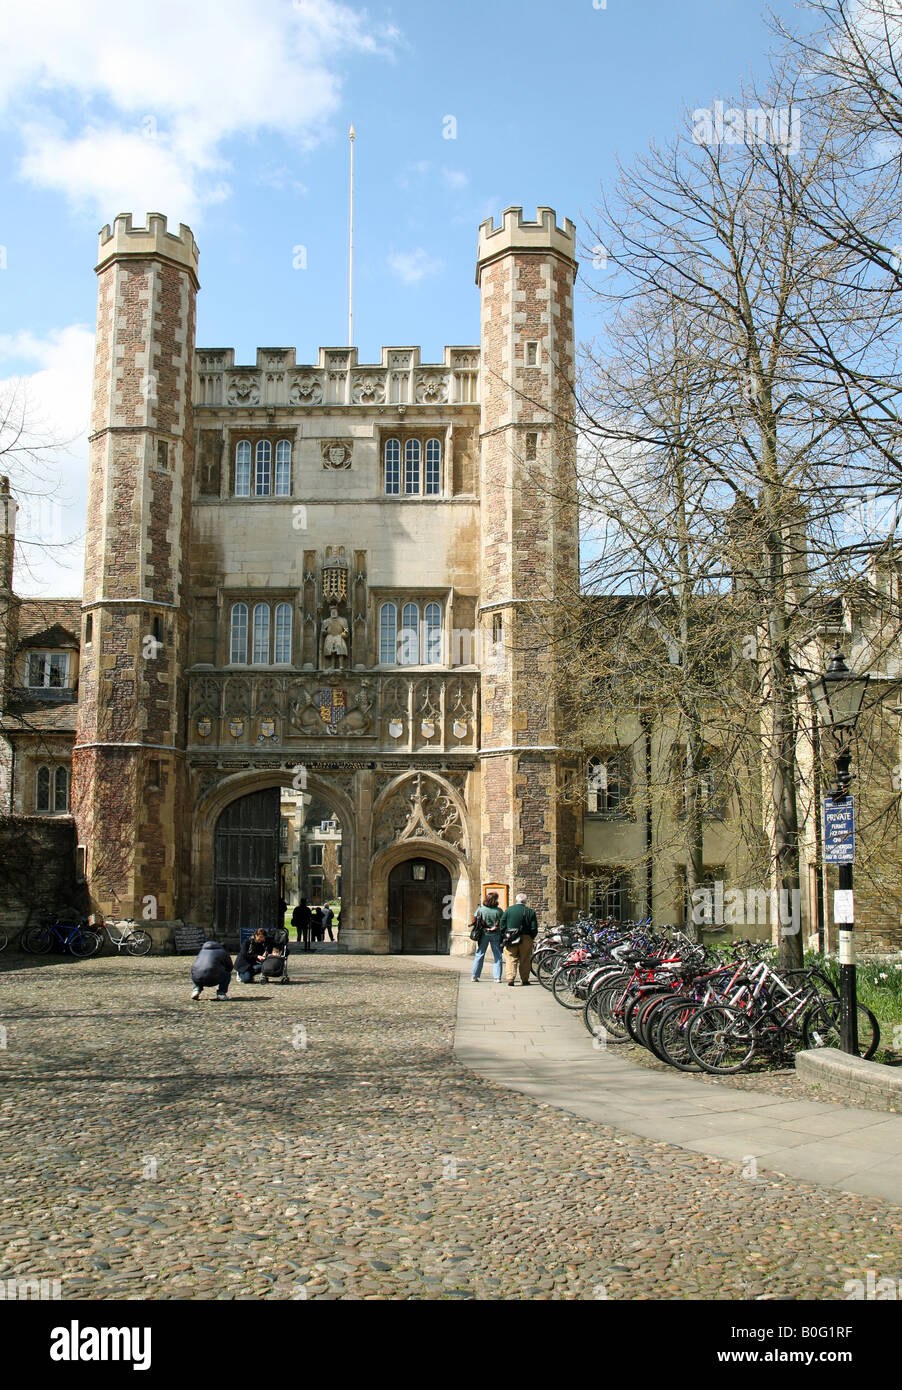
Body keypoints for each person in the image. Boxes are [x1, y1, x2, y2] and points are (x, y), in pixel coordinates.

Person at [499, 891, 539, 987]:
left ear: (516, 900)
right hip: (526, 937)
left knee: (510, 958)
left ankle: (510, 978)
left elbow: (502, 924)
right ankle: (524, 979)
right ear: (525, 901)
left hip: (511, 938)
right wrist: (531, 936)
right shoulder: (530, 912)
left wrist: (505, 934)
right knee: (525, 959)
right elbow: (534, 928)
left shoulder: (509, 910)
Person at [471, 891, 504, 983]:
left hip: (483, 934)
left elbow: (474, 919)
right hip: (496, 934)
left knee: (479, 954)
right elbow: (502, 923)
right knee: (497, 955)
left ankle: (474, 976)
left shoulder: (480, 909)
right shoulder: (499, 911)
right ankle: (497, 977)